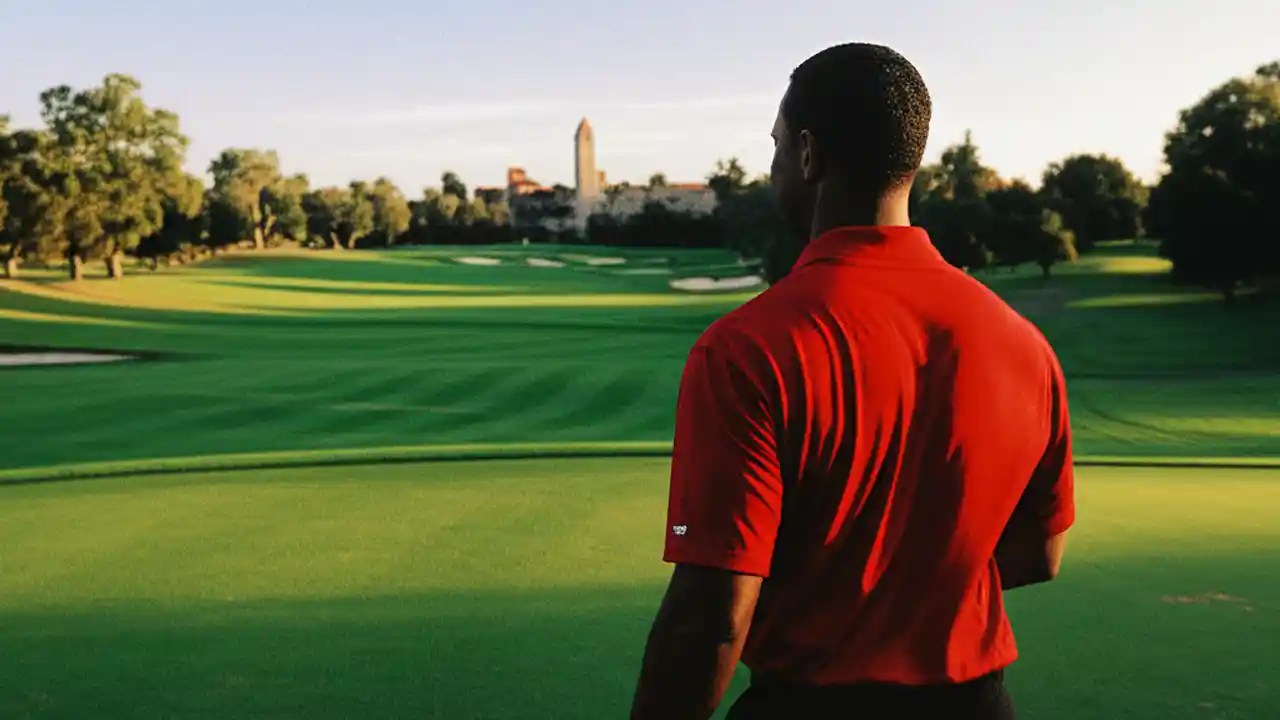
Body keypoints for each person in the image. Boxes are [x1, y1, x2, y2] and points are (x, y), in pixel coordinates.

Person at [630, 43, 1074, 720]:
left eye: (777, 148)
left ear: (809, 155)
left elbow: (713, 615)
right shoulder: (1025, 345)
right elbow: (1040, 554)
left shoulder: (747, 347)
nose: (774, 167)